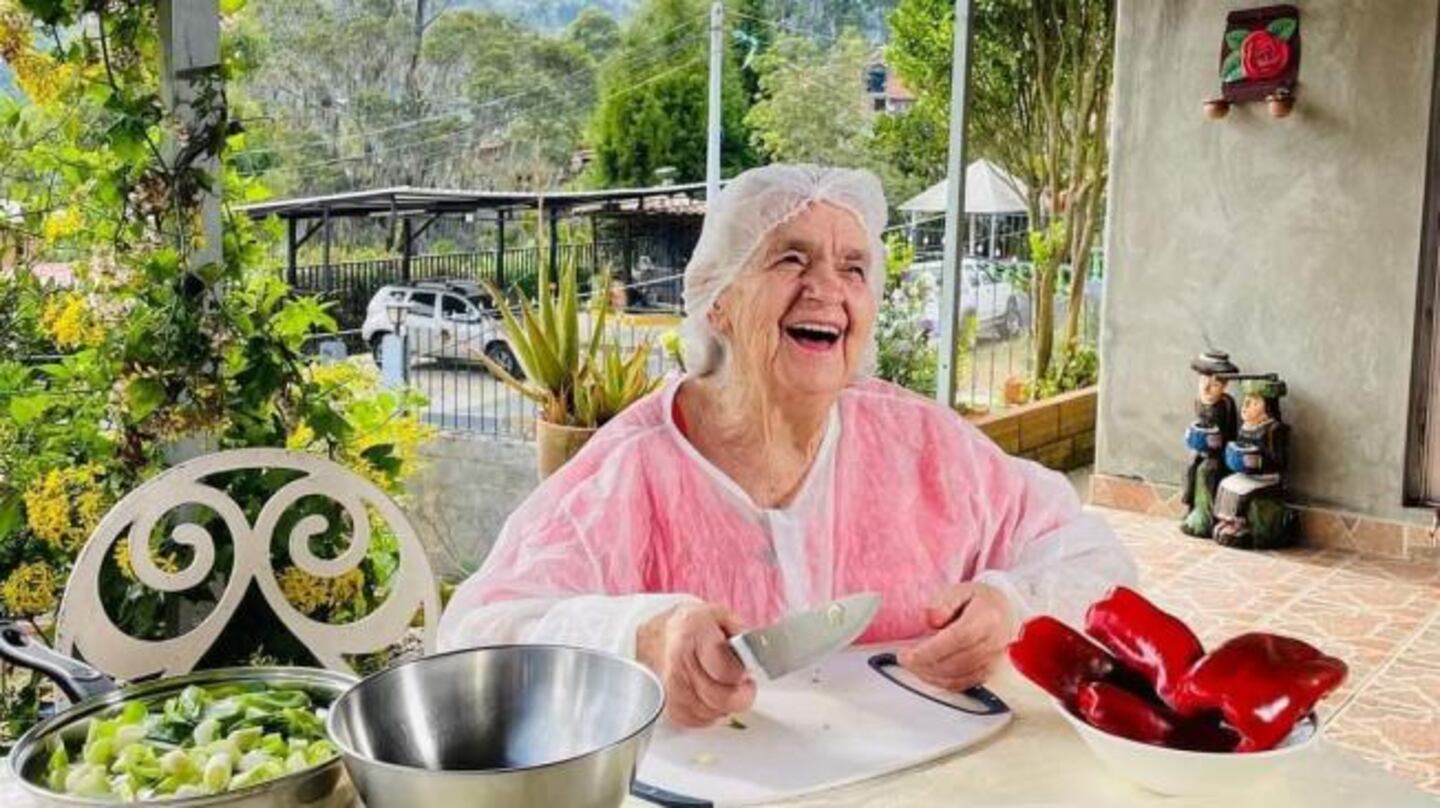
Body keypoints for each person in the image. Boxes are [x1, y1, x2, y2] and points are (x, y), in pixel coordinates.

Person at [439, 165, 1136, 728]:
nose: (828, 289)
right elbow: (476, 636)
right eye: (791, 258)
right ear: (715, 300)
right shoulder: (630, 473)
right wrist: (639, 637)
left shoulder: (925, 445)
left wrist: (1013, 602)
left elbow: (1098, 561)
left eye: (855, 268)